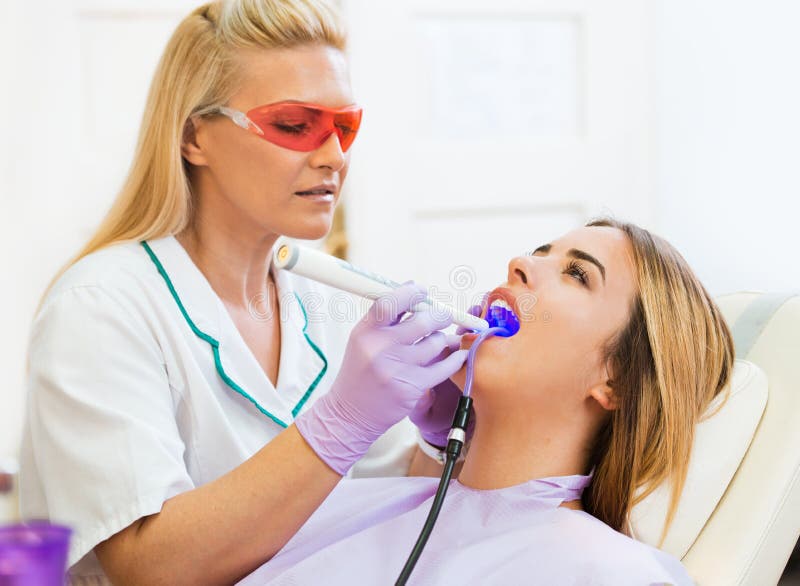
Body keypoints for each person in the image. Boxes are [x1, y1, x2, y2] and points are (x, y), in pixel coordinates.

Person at [19, 2, 467, 584]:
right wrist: (340, 424)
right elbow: (147, 566)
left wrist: (439, 438)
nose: (333, 155)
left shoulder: (322, 303)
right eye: (293, 125)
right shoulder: (101, 306)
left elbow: (383, 511)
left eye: (344, 126)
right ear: (193, 137)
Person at [239, 218, 734, 585]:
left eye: (578, 275)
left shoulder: (612, 574)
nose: (520, 263)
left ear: (618, 382)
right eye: (542, 251)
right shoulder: (376, 505)